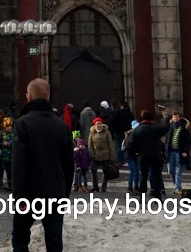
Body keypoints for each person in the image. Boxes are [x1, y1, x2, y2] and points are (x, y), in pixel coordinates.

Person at [11, 79, 74, 252]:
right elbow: (69, 165)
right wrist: (64, 194)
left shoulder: (22, 124)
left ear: (29, 96)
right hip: (55, 192)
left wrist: (19, 198)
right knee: (54, 242)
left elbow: (19, 165)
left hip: (29, 193)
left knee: (20, 241)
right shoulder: (62, 126)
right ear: (48, 96)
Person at [130, 110, 170, 199]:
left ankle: (142, 197)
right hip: (155, 155)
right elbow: (166, 128)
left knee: (143, 176)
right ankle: (158, 197)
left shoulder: (137, 129)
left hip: (143, 155)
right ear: (151, 118)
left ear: (142, 118)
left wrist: (137, 152)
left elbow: (131, 144)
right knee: (157, 176)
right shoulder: (156, 128)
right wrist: (165, 118)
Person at [87, 114, 115, 190]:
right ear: (95, 125)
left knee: (105, 171)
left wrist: (112, 156)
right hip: (96, 154)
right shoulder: (92, 133)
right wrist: (92, 154)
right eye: (97, 124)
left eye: (100, 124)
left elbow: (110, 144)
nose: (99, 125)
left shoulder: (107, 132)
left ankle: (104, 187)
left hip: (106, 154)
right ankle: (95, 186)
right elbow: (90, 144)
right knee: (93, 169)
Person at [166, 110, 190, 194]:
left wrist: (186, 151)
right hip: (171, 152)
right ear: (172, 118)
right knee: (170, 171)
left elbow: (188, 141)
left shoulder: (184, 127)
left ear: (180, 118)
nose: (176, 118)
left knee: (178, 170)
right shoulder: (170, 127)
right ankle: (176, 184)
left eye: (177, 117)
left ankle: (178, 188)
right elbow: (167, 140)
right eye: (174, 117)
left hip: (179, 152)